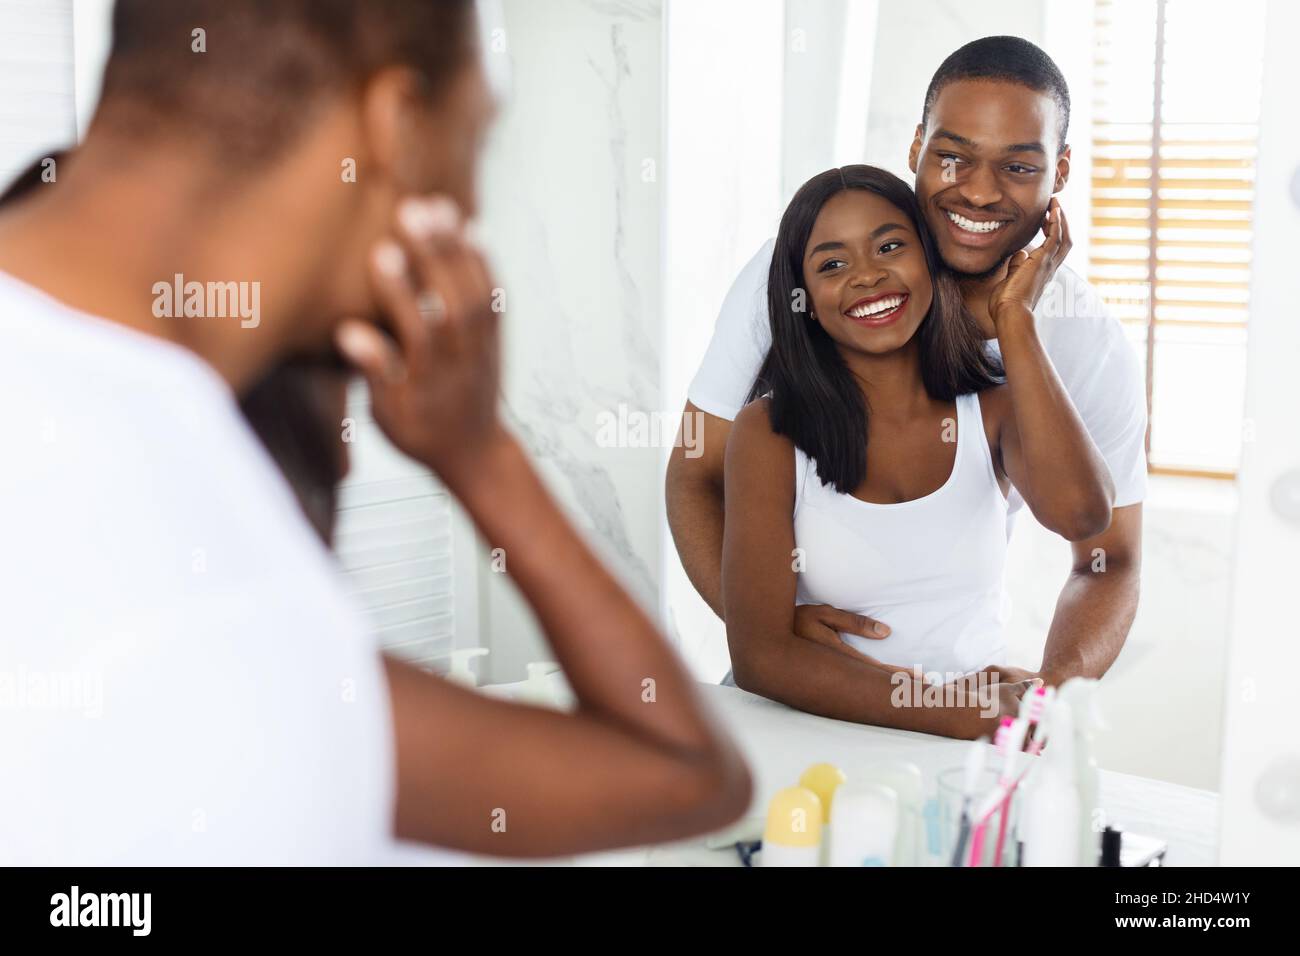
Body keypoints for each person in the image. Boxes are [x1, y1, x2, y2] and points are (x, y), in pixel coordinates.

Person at [0, 0, 749, 864]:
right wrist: (480, 456)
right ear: (394, 124)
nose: (469, 210)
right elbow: (686, 772)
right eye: (476, 143)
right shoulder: (216, 582)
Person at [667, 36, 1146, 692]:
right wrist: (775, 632)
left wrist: (1046, 697)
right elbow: (696, 476)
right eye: (953, 157)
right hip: (804, 698)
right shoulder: (806, 271)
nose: (979, 192)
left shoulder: (1084, 340)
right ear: (917, 148)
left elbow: (1107, 557)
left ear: (1060, 172)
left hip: (952, 689)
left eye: (1018, 166)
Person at [724, 165, 1112, 737]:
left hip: (967, 755)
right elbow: (761, 656)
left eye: (890, 246)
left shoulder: (994, 411)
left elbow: (1084, 514)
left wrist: (1016, 318)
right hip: (817, 742)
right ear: (801, 296)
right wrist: (951, 709)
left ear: (929, 258)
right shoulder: (769, 433)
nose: (867, 276)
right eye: (832, 264)